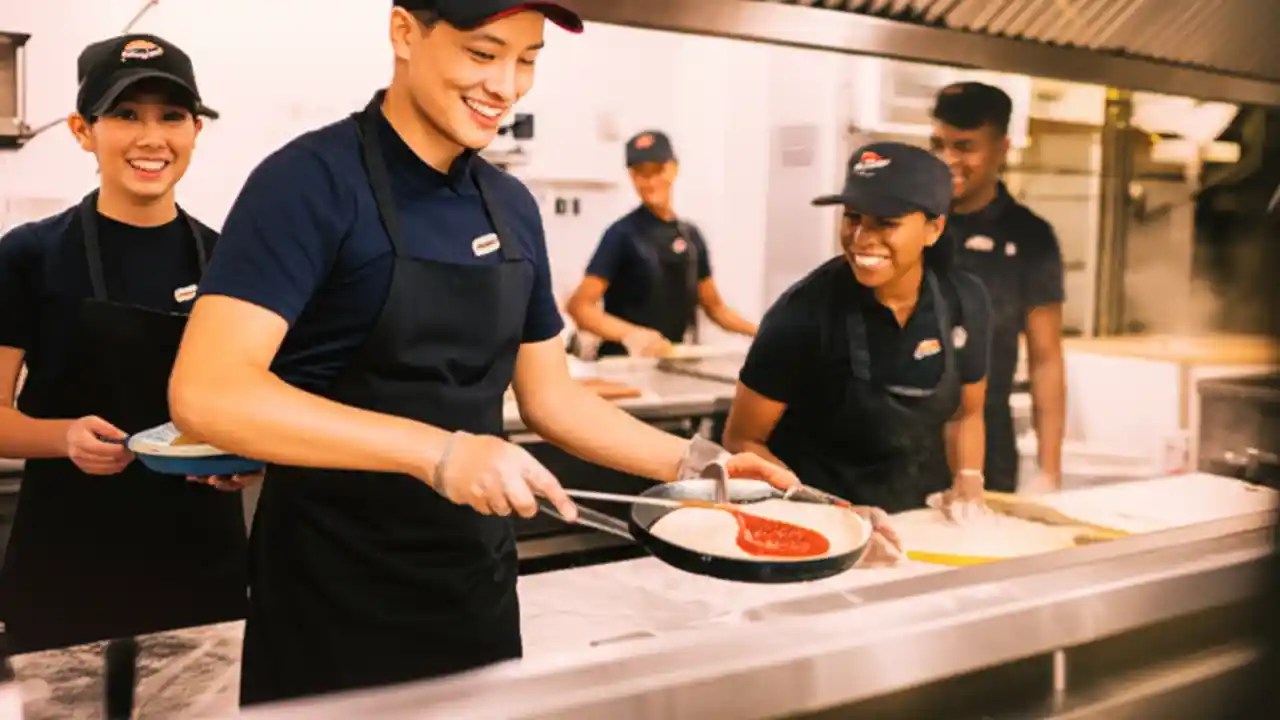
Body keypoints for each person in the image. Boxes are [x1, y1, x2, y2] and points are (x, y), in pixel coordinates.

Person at [165, 1, 806, 705]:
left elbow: (551, 397)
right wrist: (440, 453)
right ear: (404, 31)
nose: (507, 84)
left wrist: (697, 466)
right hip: (332, 595)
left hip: (475, 588)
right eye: (483, 53)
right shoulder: (308, 183)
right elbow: (210, 391)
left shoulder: (510, 206)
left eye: (528, 59)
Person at [0, 34, 253, 654]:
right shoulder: (30, 255)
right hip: (69, 566)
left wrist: (248, 455)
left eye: (171, 116)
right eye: (124, 114)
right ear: (82, 130)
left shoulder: (231, 261)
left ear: (195, 130)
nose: (151, 138)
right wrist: (63, 438)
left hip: (203, 567)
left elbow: (254, 402)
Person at [723, 142, 993, 516]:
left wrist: (968, 478)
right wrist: (827, 514)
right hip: (818, 531)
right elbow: (742, 439)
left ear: (933, 229)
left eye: (886, 222)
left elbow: (966, 414)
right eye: (853, 218)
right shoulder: (801, 312)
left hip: (919, 525)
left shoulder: (964, 301)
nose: (862, 238)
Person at [929, 82, 1067, 494]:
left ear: (1003, 148)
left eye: (965, 146)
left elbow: (1046, 359)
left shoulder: (1030, 236)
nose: (948, 159)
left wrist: (1049, 472)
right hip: (903, 445)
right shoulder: (910, 220)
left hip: (988, 448)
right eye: (938, 143)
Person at [567, 130, 758, 357]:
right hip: (624, 365)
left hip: (672, 362)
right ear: (631, 176)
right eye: (640, 173)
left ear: (673, 168)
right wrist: (632, 334)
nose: (649, 181)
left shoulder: (691, 236)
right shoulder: (621, 234)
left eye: (657, 170)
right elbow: (580, 307)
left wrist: (762, 332)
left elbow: (716, 308)